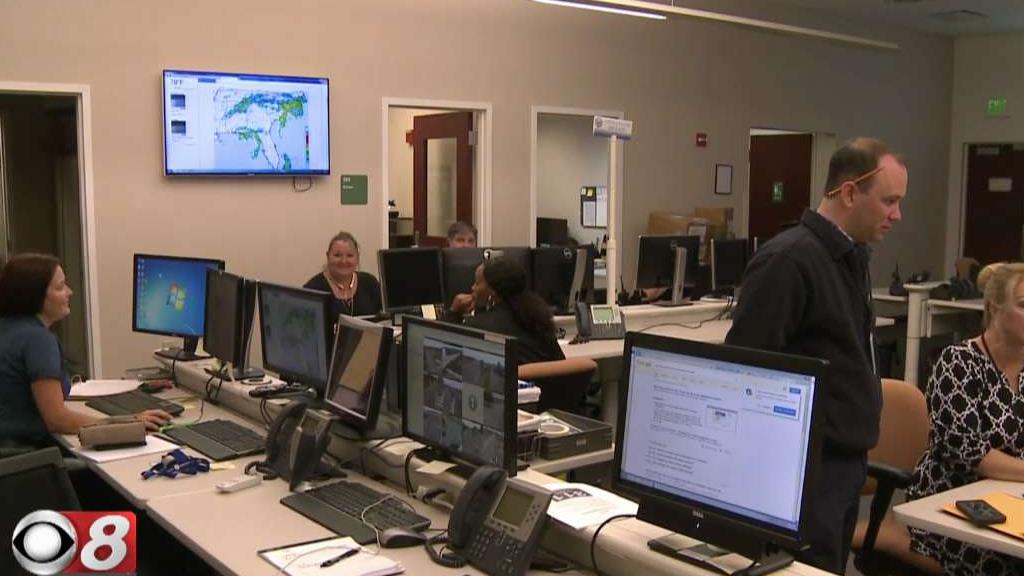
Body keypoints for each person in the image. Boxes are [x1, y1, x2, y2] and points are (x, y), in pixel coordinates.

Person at [725, 137, 908, 573]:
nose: (897, 215)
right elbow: (743, 371)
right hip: (804, 474)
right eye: (889, 201)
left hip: (843, 465)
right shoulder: (789, 261)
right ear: (849, 193)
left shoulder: (850, 256)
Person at [906, 263, 1024, 575]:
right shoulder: (958, 364)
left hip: (1014, 498)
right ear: (994, 308)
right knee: (1006, 563)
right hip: (952, 504)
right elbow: (971, 455)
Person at [0, 254, 169, 453]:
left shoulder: (8, 327)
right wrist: (127, 423)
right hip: (26, 459)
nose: (69, 292)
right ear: (35, 295)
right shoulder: (37, 340)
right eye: (60, 287)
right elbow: (57, 420)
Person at [450, 257, 564, 364]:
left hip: (514, 384)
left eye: (477, 283)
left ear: (492, 291)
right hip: (545, 383)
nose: (473, 288)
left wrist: (454, 313)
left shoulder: (478, 326)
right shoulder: (538, 317)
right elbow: (560, 363)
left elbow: (444, 357)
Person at [304, 231, 382, 318]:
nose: (343, 261)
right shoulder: (313, 289)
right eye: (337, 255)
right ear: (328, 256)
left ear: (357, 257)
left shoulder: (370, 283)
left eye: (350, 255)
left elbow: (385, 320)